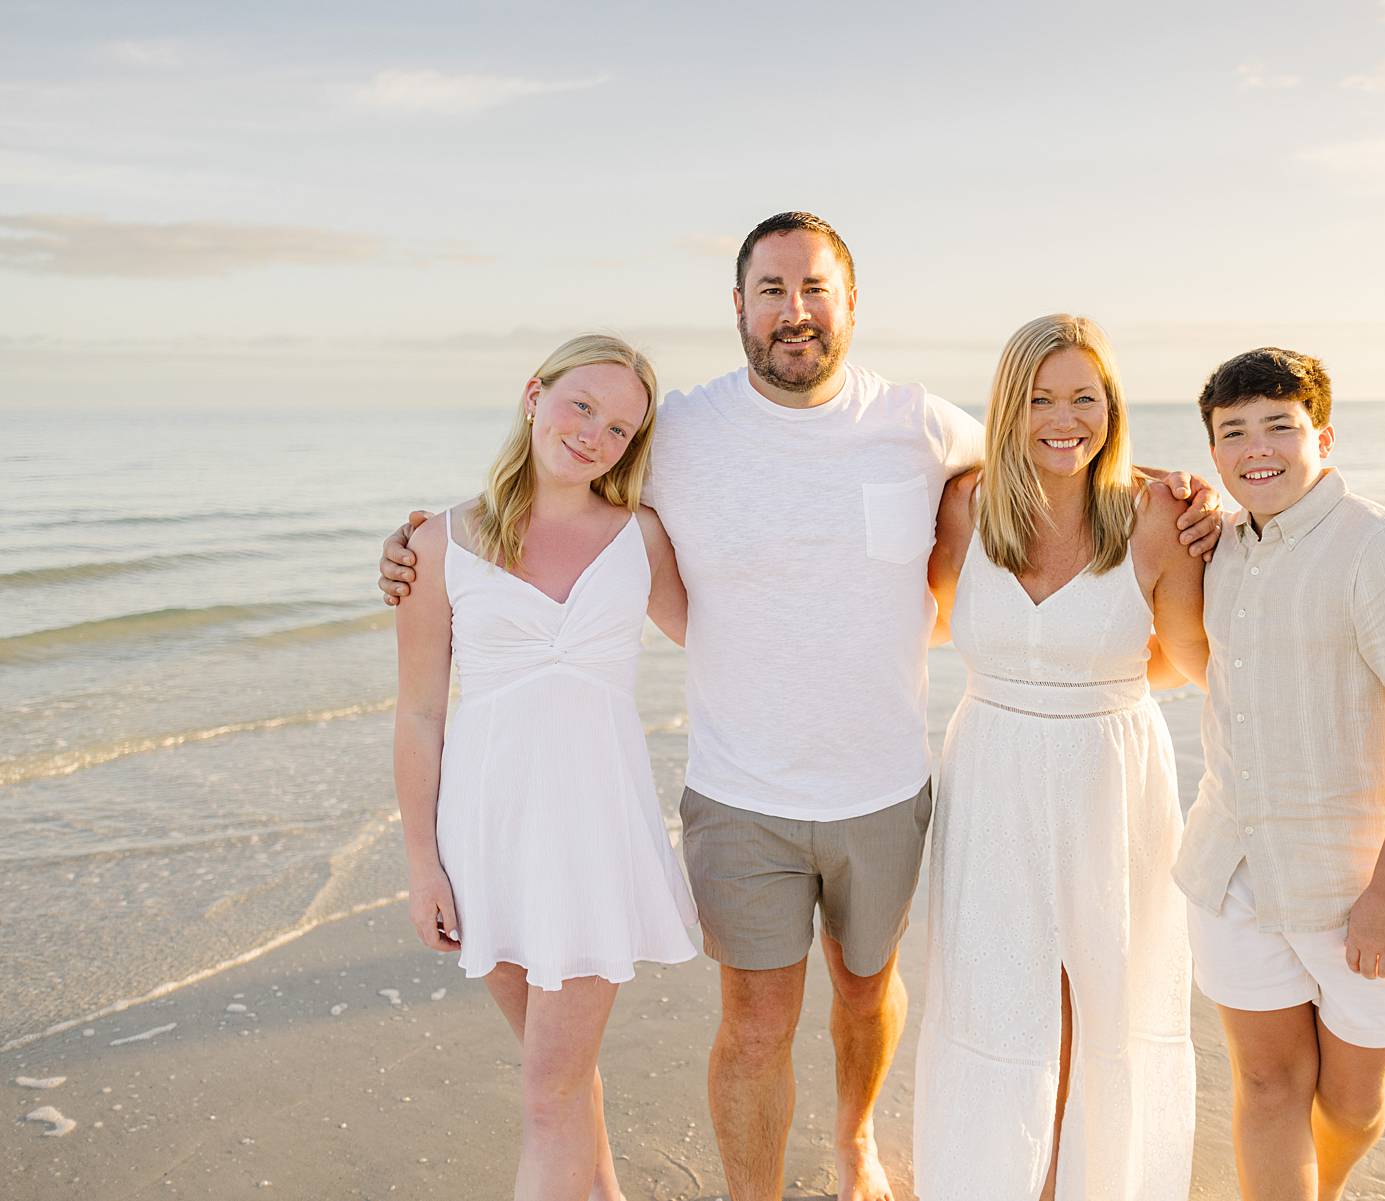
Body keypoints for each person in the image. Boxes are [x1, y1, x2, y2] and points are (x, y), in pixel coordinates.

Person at [379, 212, 1224, 1201]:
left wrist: (1181, 484)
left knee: (868, 997)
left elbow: (1055, 437)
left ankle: (856, 1142)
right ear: (737, 306)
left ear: (850, 305)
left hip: (883, 785)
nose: (795, 311)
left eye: (815, 289)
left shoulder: (914, 423)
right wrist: (424, 541)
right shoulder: (678, 432)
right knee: (753, 1022)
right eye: (772, 290)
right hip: (740, 793)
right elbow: (561, 480)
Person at [392, 334, 697, 1201]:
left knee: (546, 1089)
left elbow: (727, 639)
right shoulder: (439, 541)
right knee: (560, 1072)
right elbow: (418, 714)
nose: (595, 433)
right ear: (534, 394)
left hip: (595, 838)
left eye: (621, 427)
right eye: (582, 406)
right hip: (485, 840)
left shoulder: (642, 536)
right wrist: (423, 865)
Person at [913, 314, 1209, 1200]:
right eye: (1039, 398)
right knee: (996, 992)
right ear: (1009, 408)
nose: (1062, 418)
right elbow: (920, 612)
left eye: (1084, 396)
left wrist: (1230, 522)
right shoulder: (963, 508)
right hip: (992, 766)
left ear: (1112, 407)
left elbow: (1189, 661)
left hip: (1109, 774)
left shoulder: (1156, 516)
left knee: (1099, 996)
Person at [1172, 348, 1385, 1201]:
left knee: (1351, 1104)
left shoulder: (1379, 549)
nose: (1256, 447)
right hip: (1233, 871)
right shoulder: (1223, 544)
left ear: (1324, 437)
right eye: (1233, 432)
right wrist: (1188, 498)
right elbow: (1099, 462)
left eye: (1280, 425)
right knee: (1267, 1085)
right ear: (1215, 450)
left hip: (1355, 888)